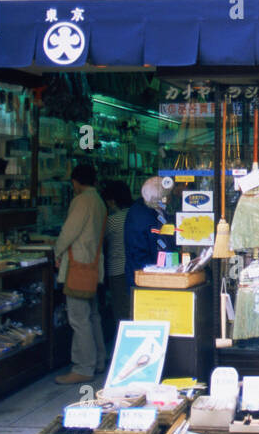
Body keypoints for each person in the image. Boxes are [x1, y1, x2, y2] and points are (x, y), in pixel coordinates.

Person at [54, 163, 107, 385]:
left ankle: (83, 367)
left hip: (78, 268)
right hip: (93, 267)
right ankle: (99, 360)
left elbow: (68, 232)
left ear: (76, 182)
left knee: (79, 318)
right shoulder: (98, 201)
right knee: (92, 315)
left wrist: (56, 251)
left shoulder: (82, 201)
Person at [125, 177, 173, 292]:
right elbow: (139, 253)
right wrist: (155, 275)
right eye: (166, 195)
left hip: (156, 274)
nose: (169, 198)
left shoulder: (155, 210)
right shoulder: (140, 215)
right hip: (146, 279)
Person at [100, 180, 133, 342]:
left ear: (112, 201)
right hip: (132, 268)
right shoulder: (134, 214)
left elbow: (99, 240)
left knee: (120, 311)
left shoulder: (112, 220)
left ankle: (121, 346)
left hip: (117, 270)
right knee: (130, 308)